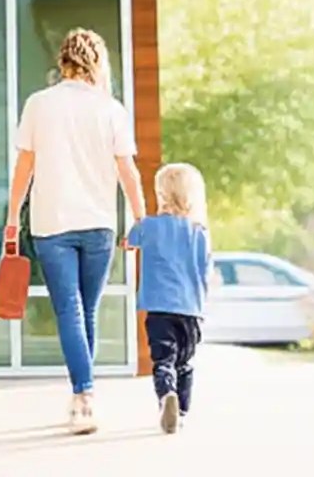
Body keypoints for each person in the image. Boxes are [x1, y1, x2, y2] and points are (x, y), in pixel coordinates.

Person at [6, 28, 146, 435]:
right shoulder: (111, 110)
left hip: (52, 224)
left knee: (70, 309)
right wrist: (141, 219)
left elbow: (24, 169)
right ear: (97, 62)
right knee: (86, 309)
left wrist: (13, 217)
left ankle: (83, 396)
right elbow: (128, 173)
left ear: (62, 60)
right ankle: (84, 395)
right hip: (99, 224)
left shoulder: (39, 105)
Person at [125, 163, 211, 435]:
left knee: (163, 361)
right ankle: (182, 411)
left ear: (161, 194)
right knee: (184, 364)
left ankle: (166, 396)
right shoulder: (199, 232)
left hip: (159, 309)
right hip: (190, 310)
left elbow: (129, 241)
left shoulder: (149, 227)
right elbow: (205, 271)